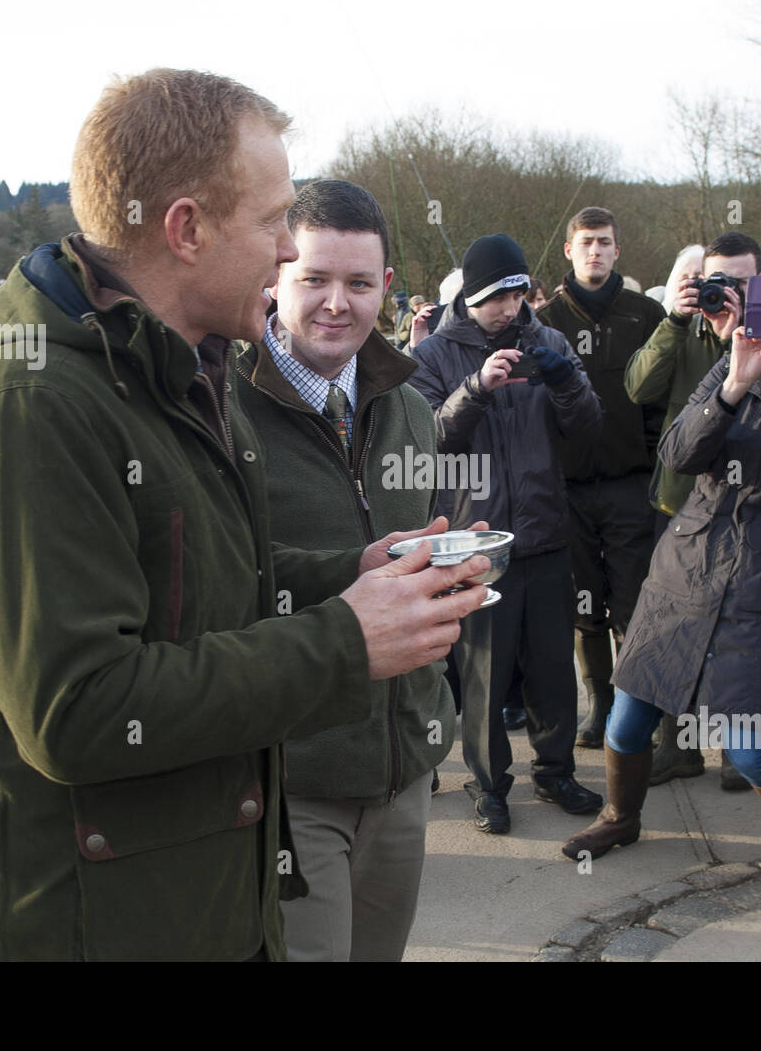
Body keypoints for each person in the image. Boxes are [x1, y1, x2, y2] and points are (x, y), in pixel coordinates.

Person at [0, 70, 488, 962]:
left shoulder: (179, 367)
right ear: (185, 228)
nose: (285, 253)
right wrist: (346, 638)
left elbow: (209, 587)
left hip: (199, 893)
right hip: (92, 924)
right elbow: (78, 709)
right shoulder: (26, 405)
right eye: (273, 224)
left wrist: (358, 571)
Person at [562, 258, 761, 914]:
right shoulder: (734, 367)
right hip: (685, 572)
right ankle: (623, 815)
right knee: (626, 721)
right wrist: (733, 384)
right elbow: (678, 454)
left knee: (752, 746)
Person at [232, 179, 457, 961]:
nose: (338, 303)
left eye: (359, 283)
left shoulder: (413, 409)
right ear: (275, 276)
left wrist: (453, 566)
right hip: (296, 780)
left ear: (386, 289)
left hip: (404, 770)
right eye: (315, 280)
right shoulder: (220, 411)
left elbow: (418, 546)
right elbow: (223, 581)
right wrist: (347, 575)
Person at [410, 233, 604, 834]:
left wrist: (566, 380)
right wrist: (478, 388)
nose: (508, 307)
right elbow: (428, 438)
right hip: (476, 542)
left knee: (550, 666)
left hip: (545, 532)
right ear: (471, 295)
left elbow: (589, 426)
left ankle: (555, 770)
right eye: (496, 296)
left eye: (517, 293)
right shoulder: (437, 352)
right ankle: (488, 782)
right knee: (483, 672)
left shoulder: (547, 339)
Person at [623, 231, 761, 788]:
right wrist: (676, 320)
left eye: (741, 282)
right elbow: (638, 389)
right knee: (674, 627)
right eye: (715, 281)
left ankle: (738, 749)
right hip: (682, 500)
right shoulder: (681, 328)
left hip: (749, 505)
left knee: (739, 633)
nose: (726, 292)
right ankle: (678, 745)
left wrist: (750, 330)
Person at [536, 206, 666, 749]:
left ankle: (637, 708)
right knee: (584, 605)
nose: (595, 250)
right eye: (586, 241)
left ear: (617, 250)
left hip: (630, 484)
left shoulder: (646, 314)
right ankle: (601, 704)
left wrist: (658, 463)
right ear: (569, 249)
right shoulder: (543, 321)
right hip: (568, 489)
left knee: (633, 606)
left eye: (604, 242)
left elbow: (663, 397)